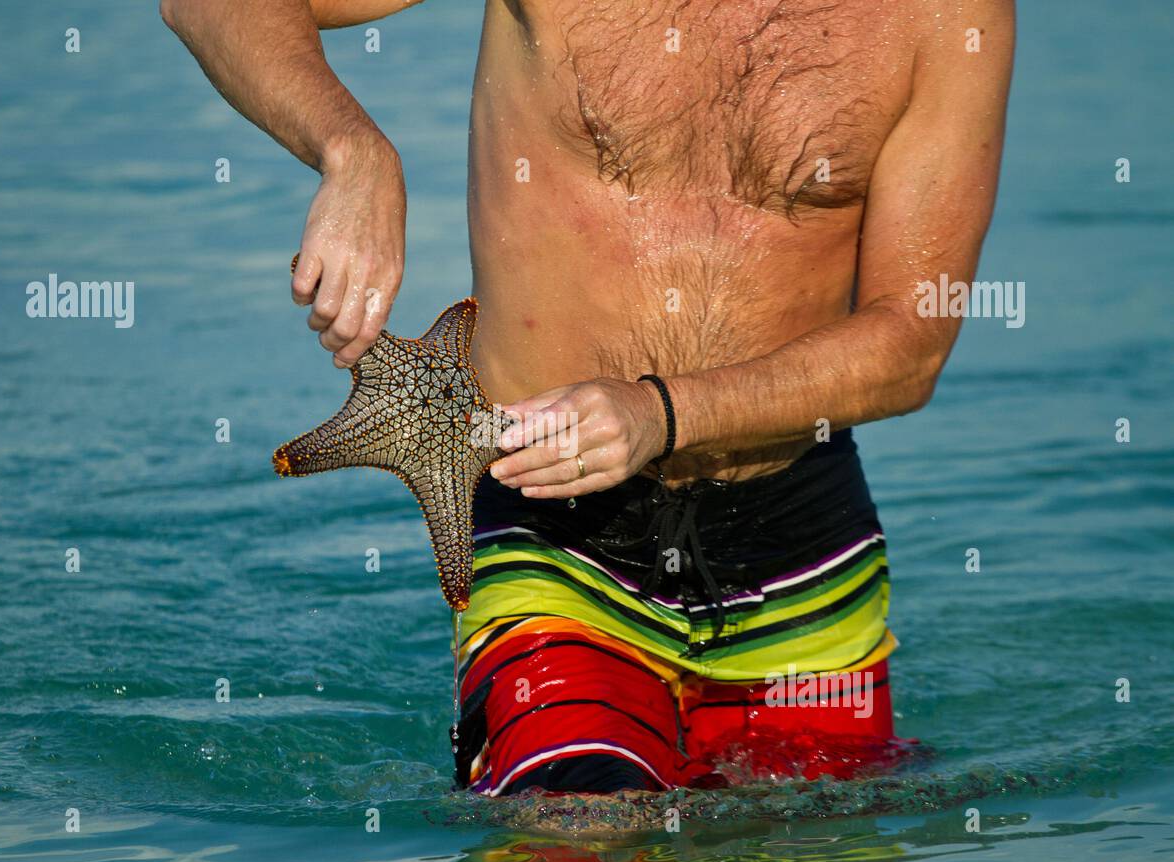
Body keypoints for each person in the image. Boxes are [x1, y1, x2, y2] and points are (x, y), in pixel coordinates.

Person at [163, 0, 1013, 794]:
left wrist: (663, 411)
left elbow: (913, 340)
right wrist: (353, 152)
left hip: (806, 559)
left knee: (819, 840)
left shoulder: (947, 15)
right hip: (554, 534)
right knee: (574, 830)